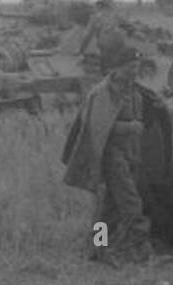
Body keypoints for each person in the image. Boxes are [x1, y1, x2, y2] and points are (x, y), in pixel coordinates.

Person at [61, 36, 153, 266]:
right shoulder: (104, 92)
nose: (135, 72)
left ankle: (98, 249)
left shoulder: (134, 91)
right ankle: (142, 250)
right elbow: (98, 127)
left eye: (137, 67)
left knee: (108, 210)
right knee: (131, 203)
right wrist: (130, 127)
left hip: (129, 155)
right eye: (131, 68)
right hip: (111, 156)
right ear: (119, 68)